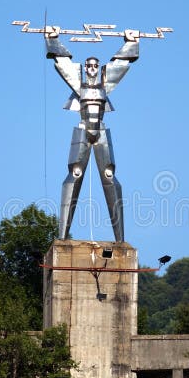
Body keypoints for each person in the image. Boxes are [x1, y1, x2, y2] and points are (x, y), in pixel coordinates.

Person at [45, 26, 140, 242]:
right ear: (85, 67)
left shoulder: (105, 84)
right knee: (75, 173)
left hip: (101, 133)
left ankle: (120, 239)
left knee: (109, 175)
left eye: (95, 66)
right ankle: (62, 236)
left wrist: (131, 43)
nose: (91, 68)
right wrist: (53, 38)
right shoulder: (78, 84)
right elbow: (63, 62)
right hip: (82, 130)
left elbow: (121, 64)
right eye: (88, 65)